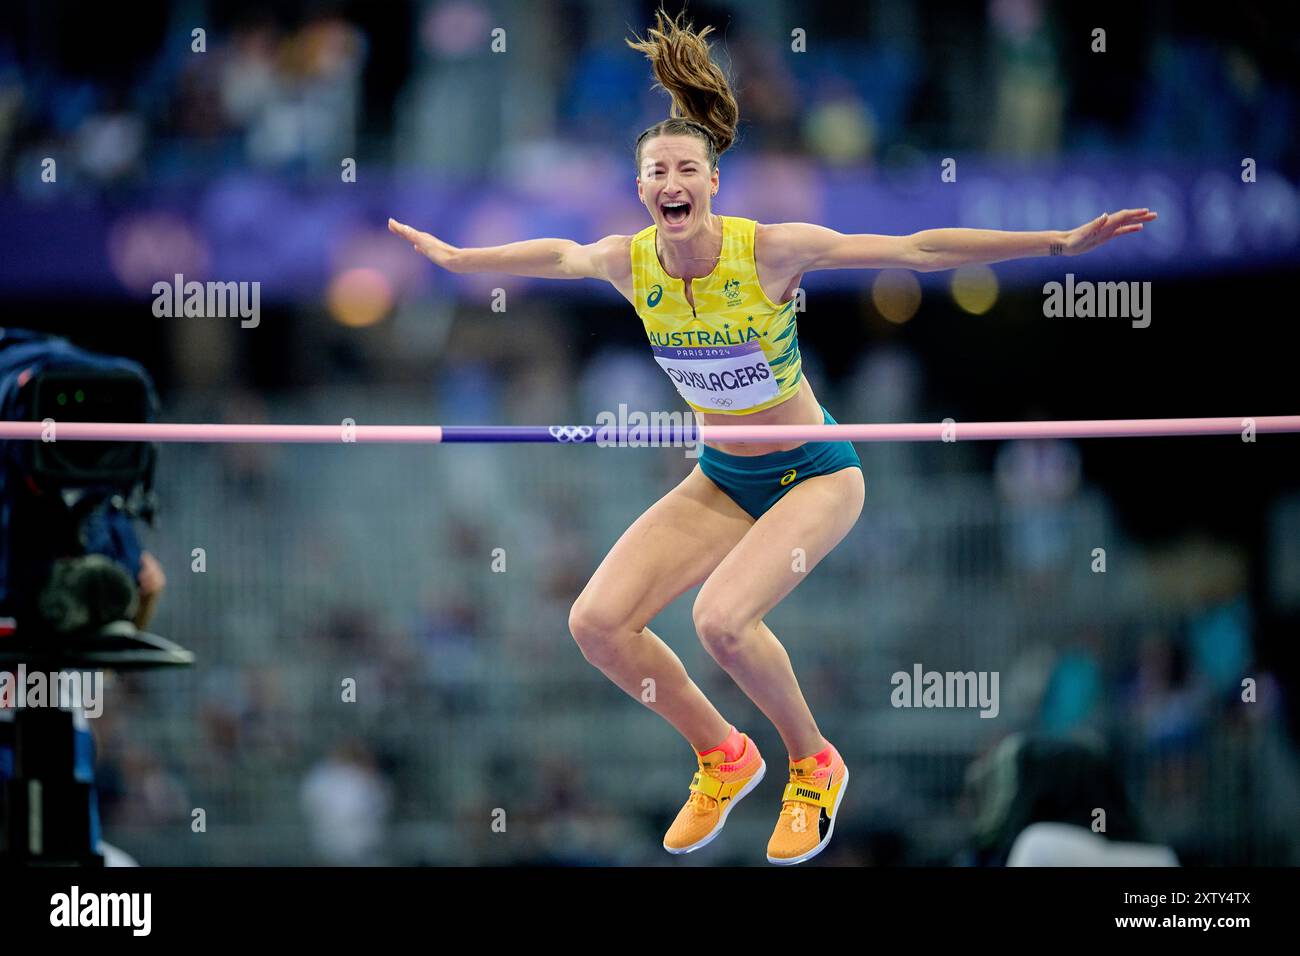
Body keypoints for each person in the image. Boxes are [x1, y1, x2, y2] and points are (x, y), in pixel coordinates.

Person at [389, 8, 1154, 864]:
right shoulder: (628, 259)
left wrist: (1055, 239)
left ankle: (814, 764)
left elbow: (917, 248)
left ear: (712, 181)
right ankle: (722, 753)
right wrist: (461, 262)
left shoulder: (772, 251)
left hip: (814, 474)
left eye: (686, 167)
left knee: (721, 620)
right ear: (642, 189)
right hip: (721, 478)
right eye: (655, 171)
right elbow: (558, 255)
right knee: (598, 623)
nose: (671, 181)